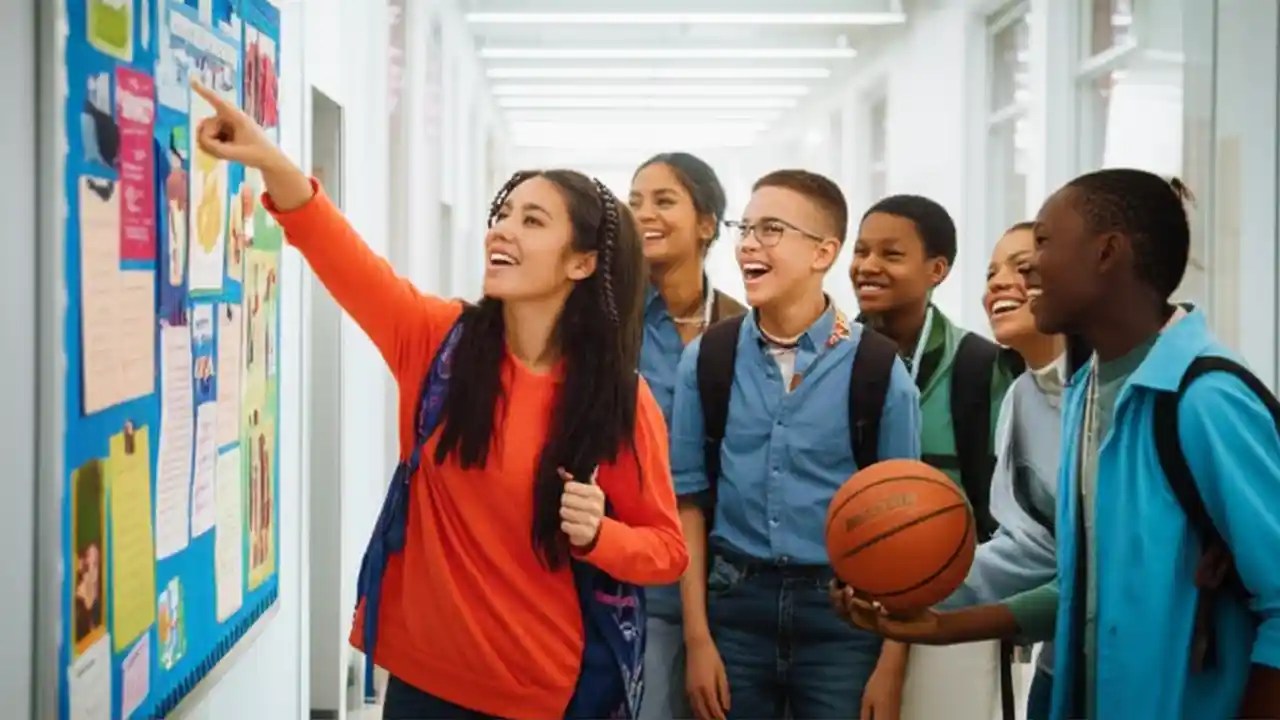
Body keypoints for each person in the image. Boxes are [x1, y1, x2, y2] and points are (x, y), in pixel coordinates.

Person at [190, 79, 689, 720]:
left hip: (539, 694)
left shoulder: (616, 399)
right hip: (421, 682)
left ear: (583, 263)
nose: (501, 232)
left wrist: (599, 535)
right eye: (502, 216)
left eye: (531, 221)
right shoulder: (437, 343)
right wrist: (267, 156)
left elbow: (667, 550)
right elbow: (335, 248)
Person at [841, 169, 1280, 720]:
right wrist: (940, 624)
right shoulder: (1084, 389)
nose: (1029, 273)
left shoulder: (1205, 398)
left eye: (1041, 249)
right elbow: (1084, 588)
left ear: (1107, 253)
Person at [671, 169, 921, 720]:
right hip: (735, 608)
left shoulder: (879, 371)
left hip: (843, 619)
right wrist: (697, 641)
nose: (748, 244)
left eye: (772, 230)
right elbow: (687, 501)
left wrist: (891, 665)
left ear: (823, 253)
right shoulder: (708, 359)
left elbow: (905, 531)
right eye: (746, 228)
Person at [832, 222, 1090, 719]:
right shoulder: (1023, 399)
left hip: (1148, 661)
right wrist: (895, 583)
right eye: (991, 272)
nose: (998, 283)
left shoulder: (1132, 394)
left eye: (1022, 266)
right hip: (1065, 665)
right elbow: (1030, 548)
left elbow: (1097, 573)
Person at [851, 196, 1023, 719]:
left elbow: (1002, 508)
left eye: (891, 254)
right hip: (845, 605)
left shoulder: (981, 367)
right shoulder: (832, 357)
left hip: (951, 606)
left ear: (937, 270)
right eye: (861, 251)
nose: (868, 266)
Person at [628, 152, 746, 720]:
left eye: (663, 200)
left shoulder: (741, 326)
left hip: (726, 576)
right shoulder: (606, 326)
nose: (644, 213)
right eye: (635, 202)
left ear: (707, 224)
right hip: (631, 576)